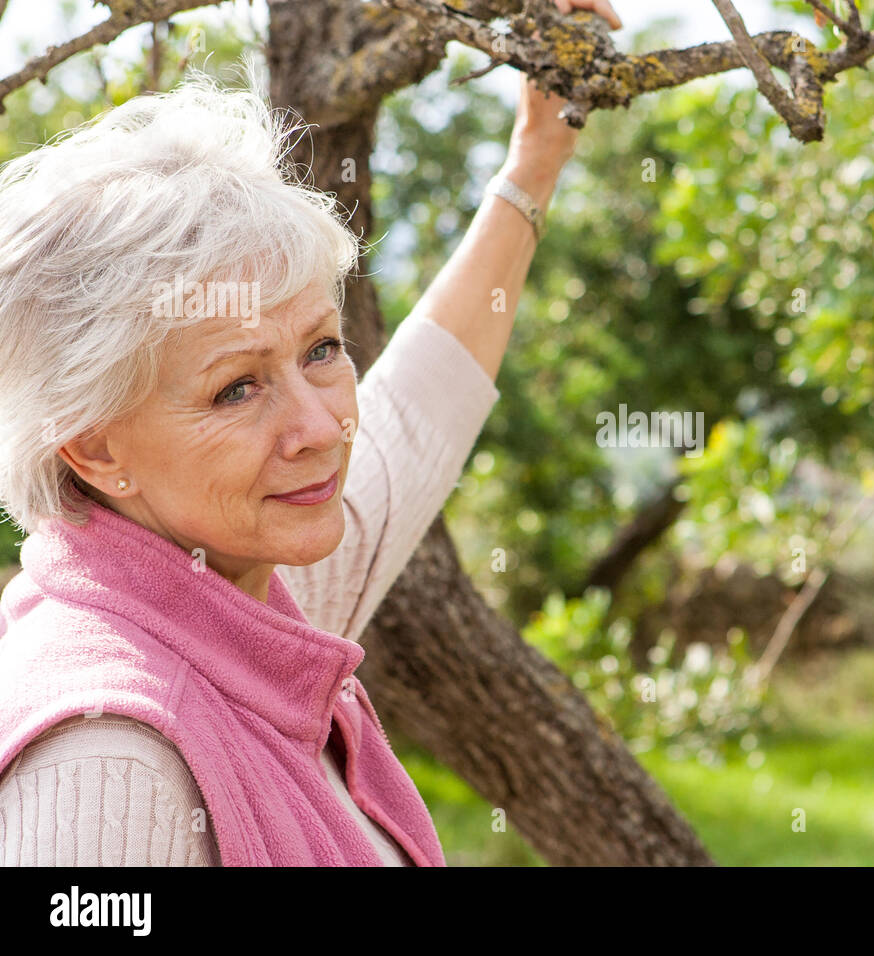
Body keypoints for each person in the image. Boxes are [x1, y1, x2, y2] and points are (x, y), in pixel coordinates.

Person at [0, 0, 624, 866]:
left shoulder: (226, 595)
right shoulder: (106, 765)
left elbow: (418, 412)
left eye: (322, 349)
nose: (321, 425)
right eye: (236, 388)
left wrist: (534, 163)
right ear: (96, 449)